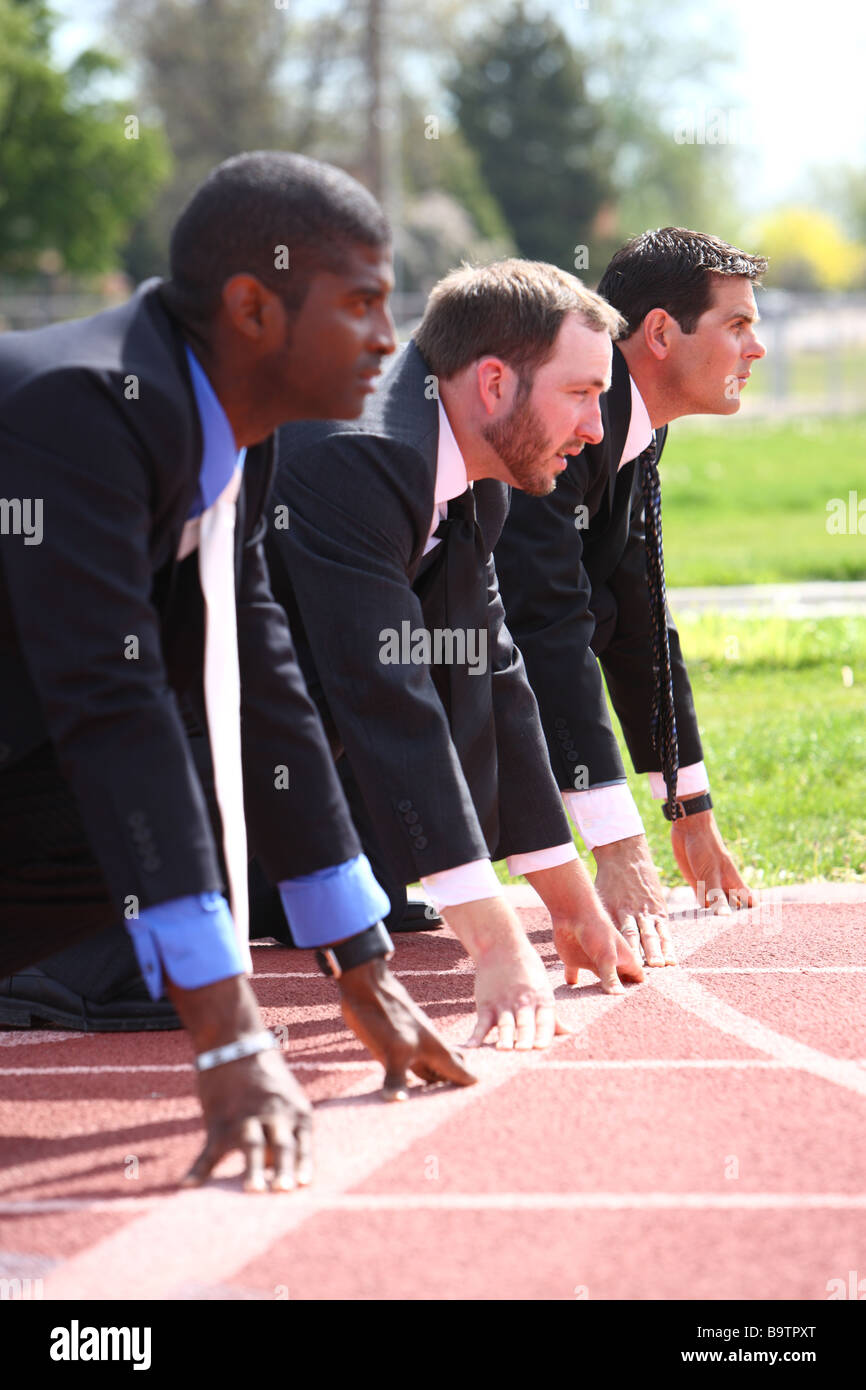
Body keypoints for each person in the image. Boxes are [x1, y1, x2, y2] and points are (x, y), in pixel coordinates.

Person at [0, 151, 475, 1194]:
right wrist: (227, 1037)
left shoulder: (237, 433)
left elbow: (260, 677)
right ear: (253, 306)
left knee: (223, 779)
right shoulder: (79, 410)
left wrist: (362, 965)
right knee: (158, 767)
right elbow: (112, 708)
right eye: (360, 302)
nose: (388, 340)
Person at [266, 259, 646, 1054]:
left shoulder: (478, 468)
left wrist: (569, 899)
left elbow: (490, 668)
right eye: (579, 394)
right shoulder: (357, 456)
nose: (596, 430)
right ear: (495, 383)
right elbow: (383, 687)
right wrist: (494, 937)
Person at [494, 228, 768, 967]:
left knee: (614, 610)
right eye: (737, 324)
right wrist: (615, 845)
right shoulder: (564, 417)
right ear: (659, 333)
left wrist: (690, 806)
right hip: (356, 649)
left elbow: (639, 616)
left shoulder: (638, 428)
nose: (757, 348)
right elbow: (543, 618)